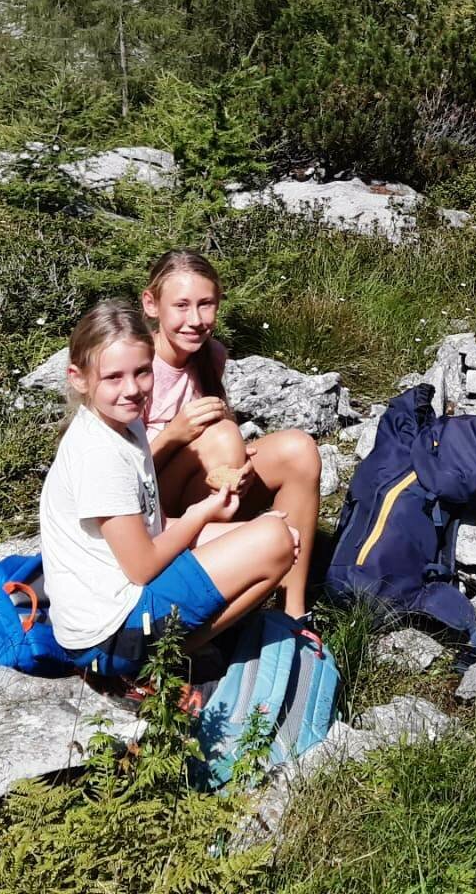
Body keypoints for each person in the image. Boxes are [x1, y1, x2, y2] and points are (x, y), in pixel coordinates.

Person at [40, 299, 296, 679]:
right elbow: (143, 567)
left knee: (280, 536)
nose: (131, 389)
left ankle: (175, 650)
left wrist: (233, 524)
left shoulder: (124, 426)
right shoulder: (98, 455)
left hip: (118, 605)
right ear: (78, 378)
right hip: (106, 637)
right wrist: (202, 514)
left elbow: (153, 527)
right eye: (113, 377)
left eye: (142, 372)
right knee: (274, 541)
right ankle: (155, 663)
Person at [142, 250, 323, 630]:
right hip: (146, 506)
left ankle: (292, 612)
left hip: (210, 490)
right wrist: (173, 435)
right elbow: (118, 479)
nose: (195, 320)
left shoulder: (211, 354)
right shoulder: (134, 369)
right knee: (224, 436)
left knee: (298, 450)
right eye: (181, 306)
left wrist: (237, 456)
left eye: (206, 305)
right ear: (152, 304)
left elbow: (219, 429)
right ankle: (214, 578)